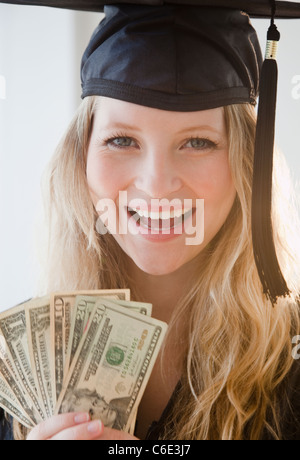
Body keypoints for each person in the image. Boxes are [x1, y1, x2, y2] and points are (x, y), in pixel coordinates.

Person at [1, 0, 300, 440]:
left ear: (245, 164)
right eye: (122, 140)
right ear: (80, 156)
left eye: (198, 142)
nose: (157, 186)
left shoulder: (291, 368)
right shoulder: (15, 367)